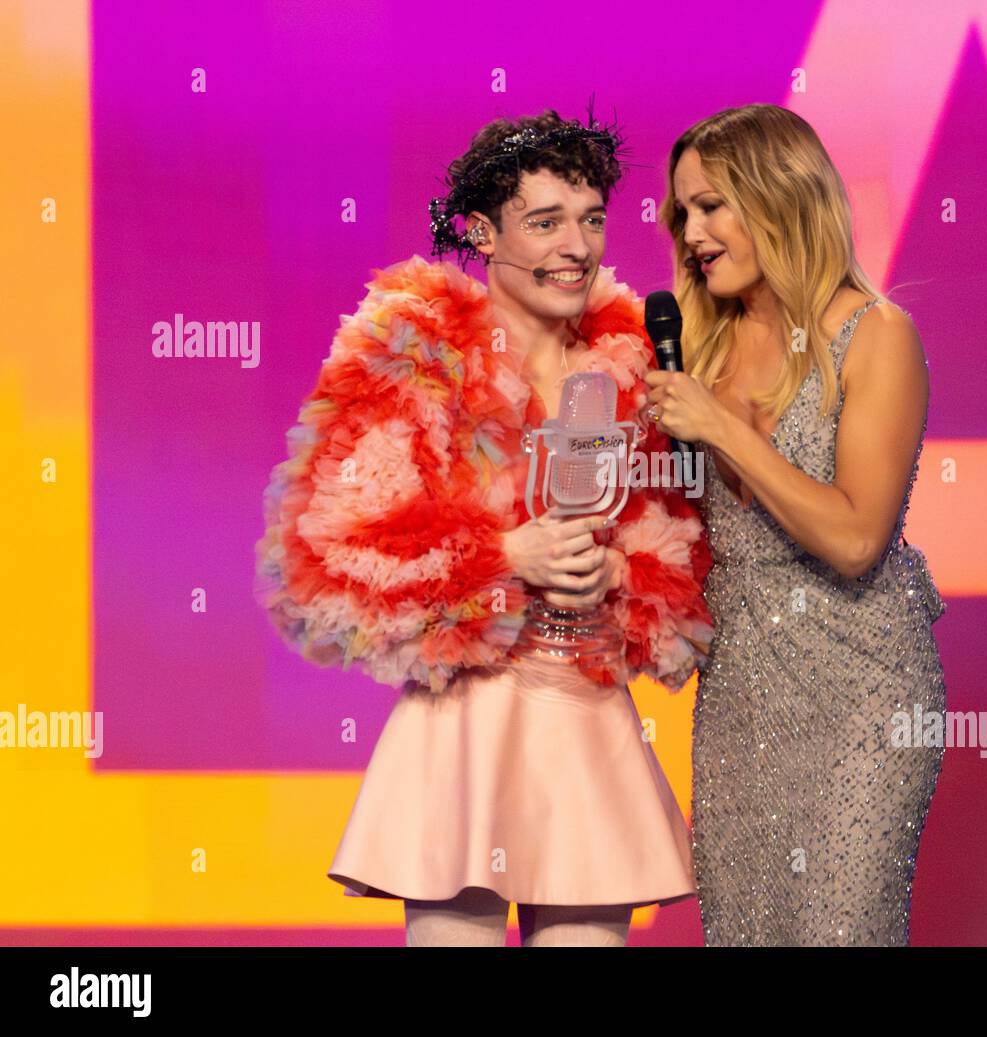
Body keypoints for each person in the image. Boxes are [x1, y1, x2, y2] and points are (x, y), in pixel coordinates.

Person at [254, 108, 713, 947]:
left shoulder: (640, 365)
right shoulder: (413, 356)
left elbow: (687, 549)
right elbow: (325, 555)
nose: (576, 246)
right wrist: (505, 553)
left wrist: (620, 576)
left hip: (585, 716)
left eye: (591, 220)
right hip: (461, 723)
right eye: (545, 222)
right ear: (481, 231)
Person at [644, 104, 948, 946]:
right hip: (741, 696)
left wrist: (723, 428)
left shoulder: (875, 335)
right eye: (683, 213)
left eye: (712, 206)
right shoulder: (695, 343)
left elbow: (856, 539)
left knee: (841, 929)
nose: (692, 232)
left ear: (779, 196)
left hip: (864, 693)